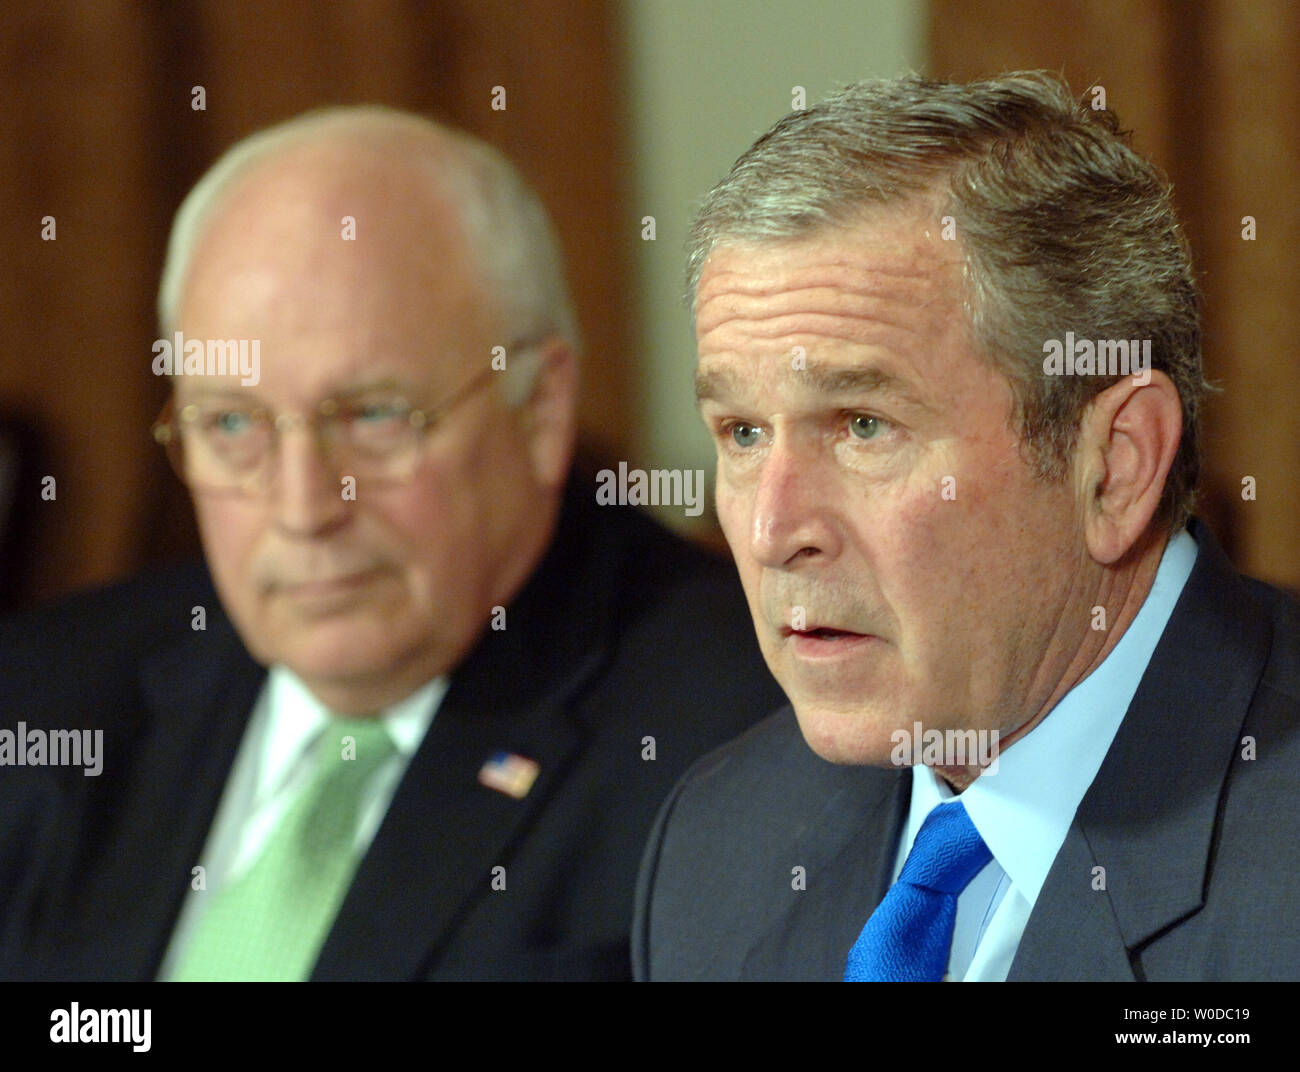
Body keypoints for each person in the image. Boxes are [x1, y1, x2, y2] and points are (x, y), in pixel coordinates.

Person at [0, 105, 784, 981]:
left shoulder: (742, 745)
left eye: (373, 417)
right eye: (231, 424)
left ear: (540, 409)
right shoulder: (41, 699)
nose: (302, 508)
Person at [632, 72, 1300, 981]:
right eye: (744, 433)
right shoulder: (720, 844)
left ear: (1115, 466)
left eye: (864, 425)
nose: (771, 530)